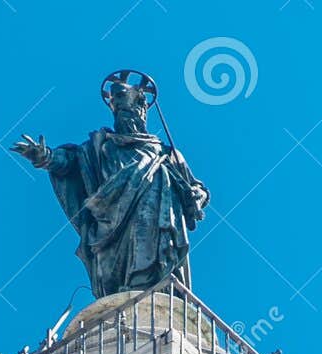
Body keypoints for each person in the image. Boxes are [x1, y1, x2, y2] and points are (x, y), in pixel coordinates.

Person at [12, 70, 209, 299]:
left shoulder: (167, 154)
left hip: (161, 215)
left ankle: (160, 294)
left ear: (141, 108)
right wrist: (45, 156)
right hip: (113, 222)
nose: (123, 112)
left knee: (155, 250)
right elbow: (69, 162)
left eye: (127, 104)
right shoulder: (98, 147)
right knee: (126, 261)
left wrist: (197, 195)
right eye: (117, 107)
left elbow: (197, 188)